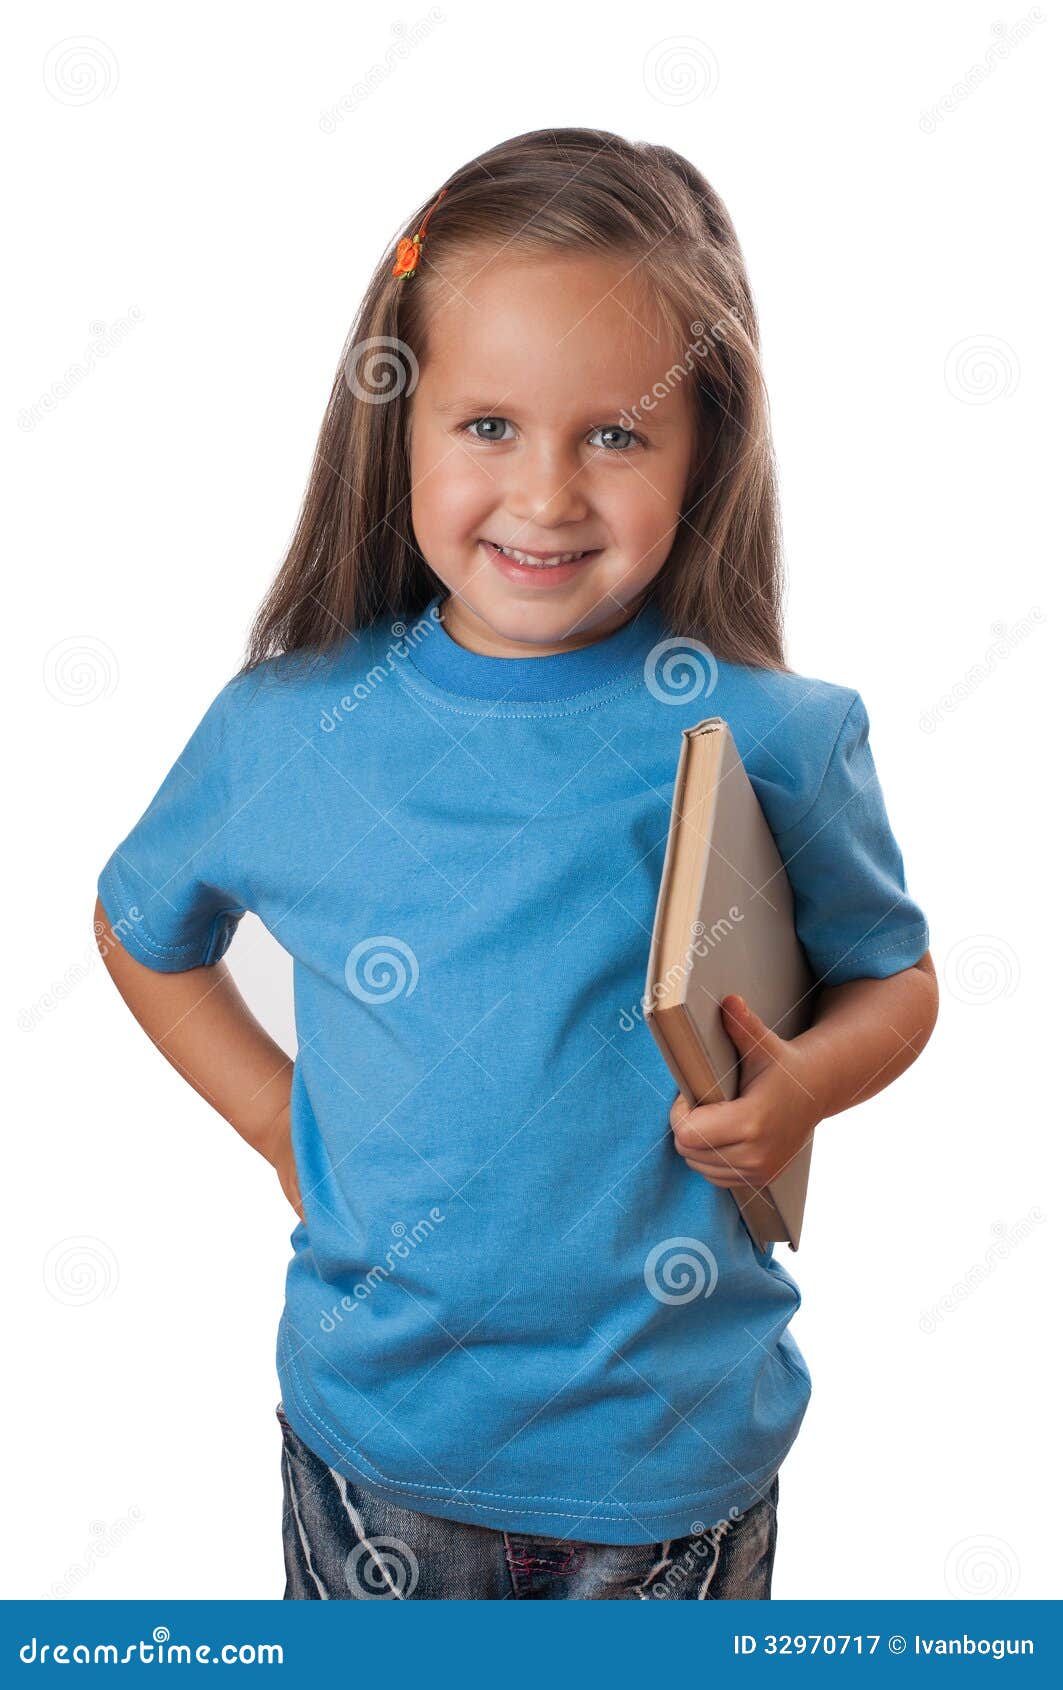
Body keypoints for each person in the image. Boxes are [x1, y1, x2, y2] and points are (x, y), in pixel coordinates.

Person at [94, 127, 938, 1600]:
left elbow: (897, 981)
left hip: (672, 1469)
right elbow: (138, 925)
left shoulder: (780, 736)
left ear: (703, 449)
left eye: (615, 434)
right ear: (398, 425)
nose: (547, 495)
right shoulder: (291, 728)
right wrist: (279, 1123)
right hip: (380, 1453)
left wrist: (806, 1085)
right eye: (489, 425)